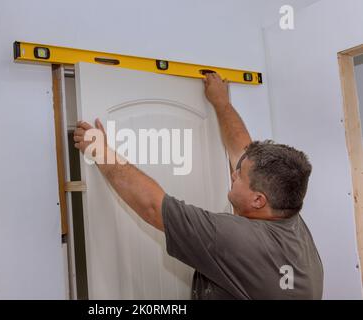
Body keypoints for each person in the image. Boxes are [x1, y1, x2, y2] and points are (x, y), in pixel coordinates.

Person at [73, 72, 323, 300]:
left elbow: (152, 206)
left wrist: (101, 152)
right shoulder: (289, 216)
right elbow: (241, 151)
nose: (233, 174)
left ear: (258, 200)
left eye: (239, 175)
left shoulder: (236, 238)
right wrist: (221, 103)